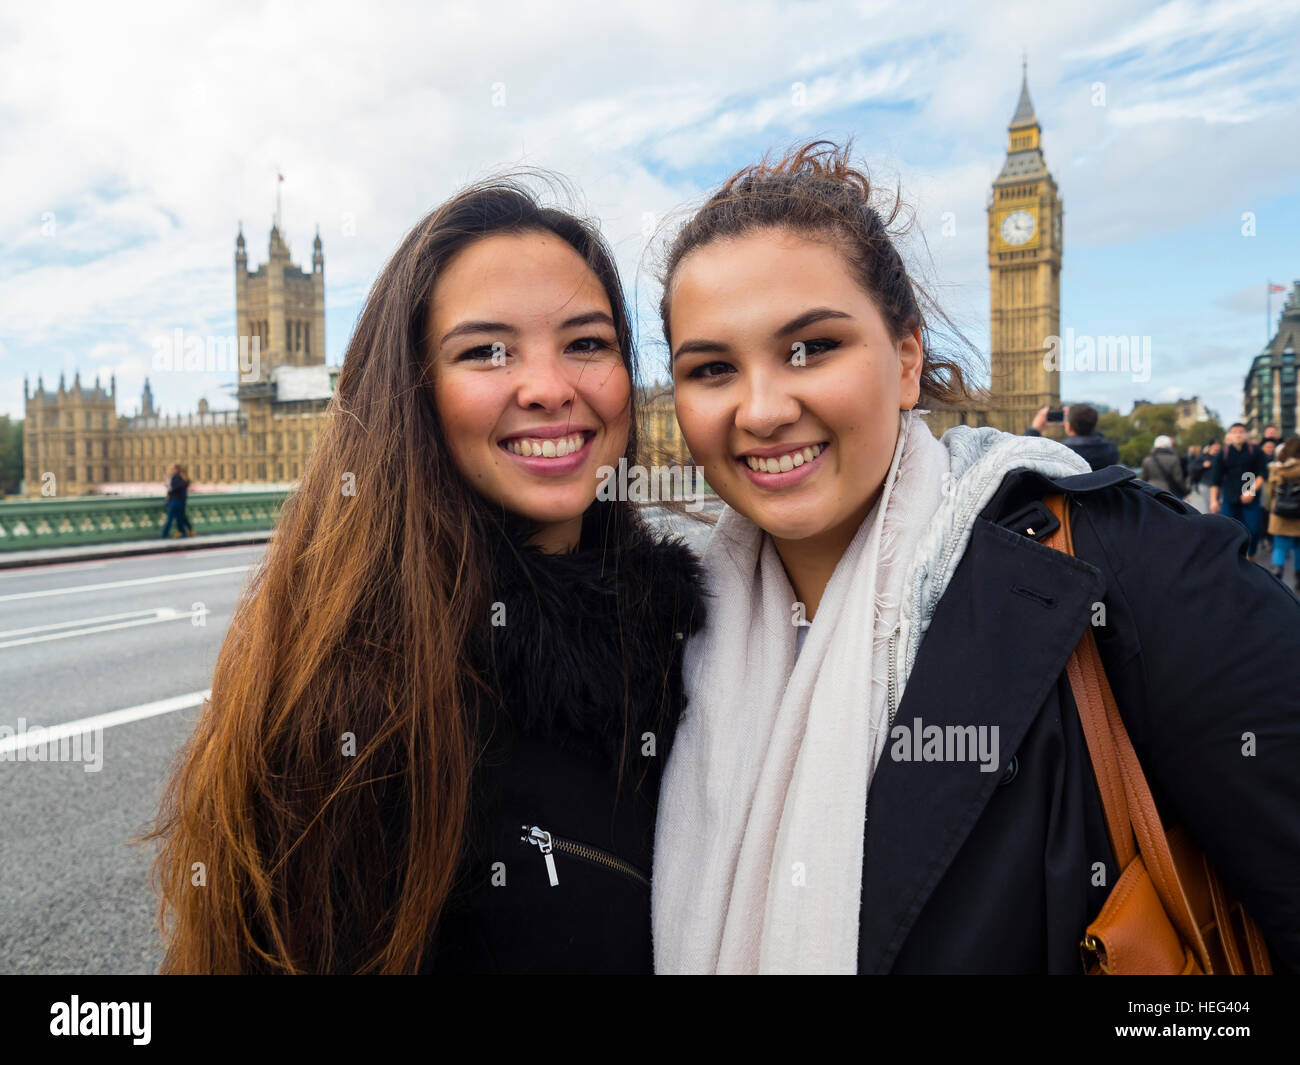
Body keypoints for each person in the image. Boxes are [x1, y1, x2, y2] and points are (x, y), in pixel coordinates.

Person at [651, 141, 1300, 974]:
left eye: (812, 346)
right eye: (712, 367)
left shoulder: (1119, 568)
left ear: (908, 362)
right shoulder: (664, 637)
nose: (766, 407)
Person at [144, 179, 704, 973]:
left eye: (586, 342)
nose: (548, 386)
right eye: (486, 351)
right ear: (412, 389)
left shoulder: (703, 646)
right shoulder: (351, 710)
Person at [1209, 422, 1269, 562]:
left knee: (1253, 529)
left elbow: (1262, 474)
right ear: (1229, 435)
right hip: (1230, 497)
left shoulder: (1255, 451)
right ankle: (1234, 557)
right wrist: (1213, 501)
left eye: (1241, 431)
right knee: (1229, 529)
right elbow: (1215, 480)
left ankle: (1251, 554)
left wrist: (1251, 490)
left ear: (1246, 434)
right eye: (1234, 431)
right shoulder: (1223, 454)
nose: (1238, 434)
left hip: (1251, 496)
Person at [1026, 403, 1119, 471]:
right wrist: (1075, 416)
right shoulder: (1111, 452)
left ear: (1069, 427)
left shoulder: (1058, 454)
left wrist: (1034, 429)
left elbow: (1025, 453)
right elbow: (1094, 435)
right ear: (1094, 425)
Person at [1267, 436, 1300, 590]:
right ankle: (1299, 579)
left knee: (1279, 547)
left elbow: (1271, 492)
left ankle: (1277, 574)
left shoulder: (1276, 468)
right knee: (1299, 547)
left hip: (1280, 513)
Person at [1139, 434, 1188, 499]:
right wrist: (1186, 492)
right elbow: (1178, 479)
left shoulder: (1148, 460)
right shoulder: (1174, 459)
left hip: (1151, 492)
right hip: (1169, 492)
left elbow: (1143, 479)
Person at [160, 462, 193, 538]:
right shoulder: (182, 478)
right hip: (181, 500)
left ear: (176, 470)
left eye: (172, 469)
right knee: (180, 517)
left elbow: (173, 488)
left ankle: (165, 534)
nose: (170, 470)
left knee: (170, 517)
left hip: (175, 500)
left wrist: (168, 486)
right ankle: (183, 532)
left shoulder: (176, 478)